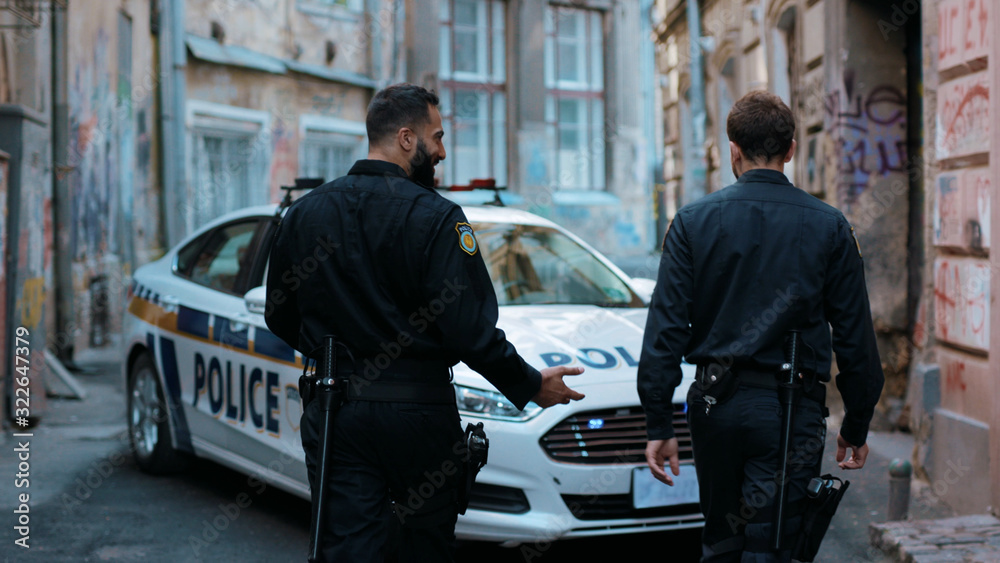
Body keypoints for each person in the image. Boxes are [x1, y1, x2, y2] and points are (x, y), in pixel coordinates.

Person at [264, 83, 585, 563]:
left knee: (349, 549)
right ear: (407, 138)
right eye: (437, 138)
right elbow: (469, 329)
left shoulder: (305, 212)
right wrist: (529, 385)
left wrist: (336, 349)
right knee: (423, 547)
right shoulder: (436, 217)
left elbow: (279, 313)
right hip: (418, 412)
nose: (442, 152)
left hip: (338, 409)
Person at [638, 90, 884, 562]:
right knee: (776, 545)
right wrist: (857, 422)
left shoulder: (692, 222)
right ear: (792, 149)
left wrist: (658, 422)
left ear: (734, 148)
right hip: (790, 411)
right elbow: (855, 338)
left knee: (722, 541)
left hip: (715, 408)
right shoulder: (830, 226)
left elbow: (665, 329)